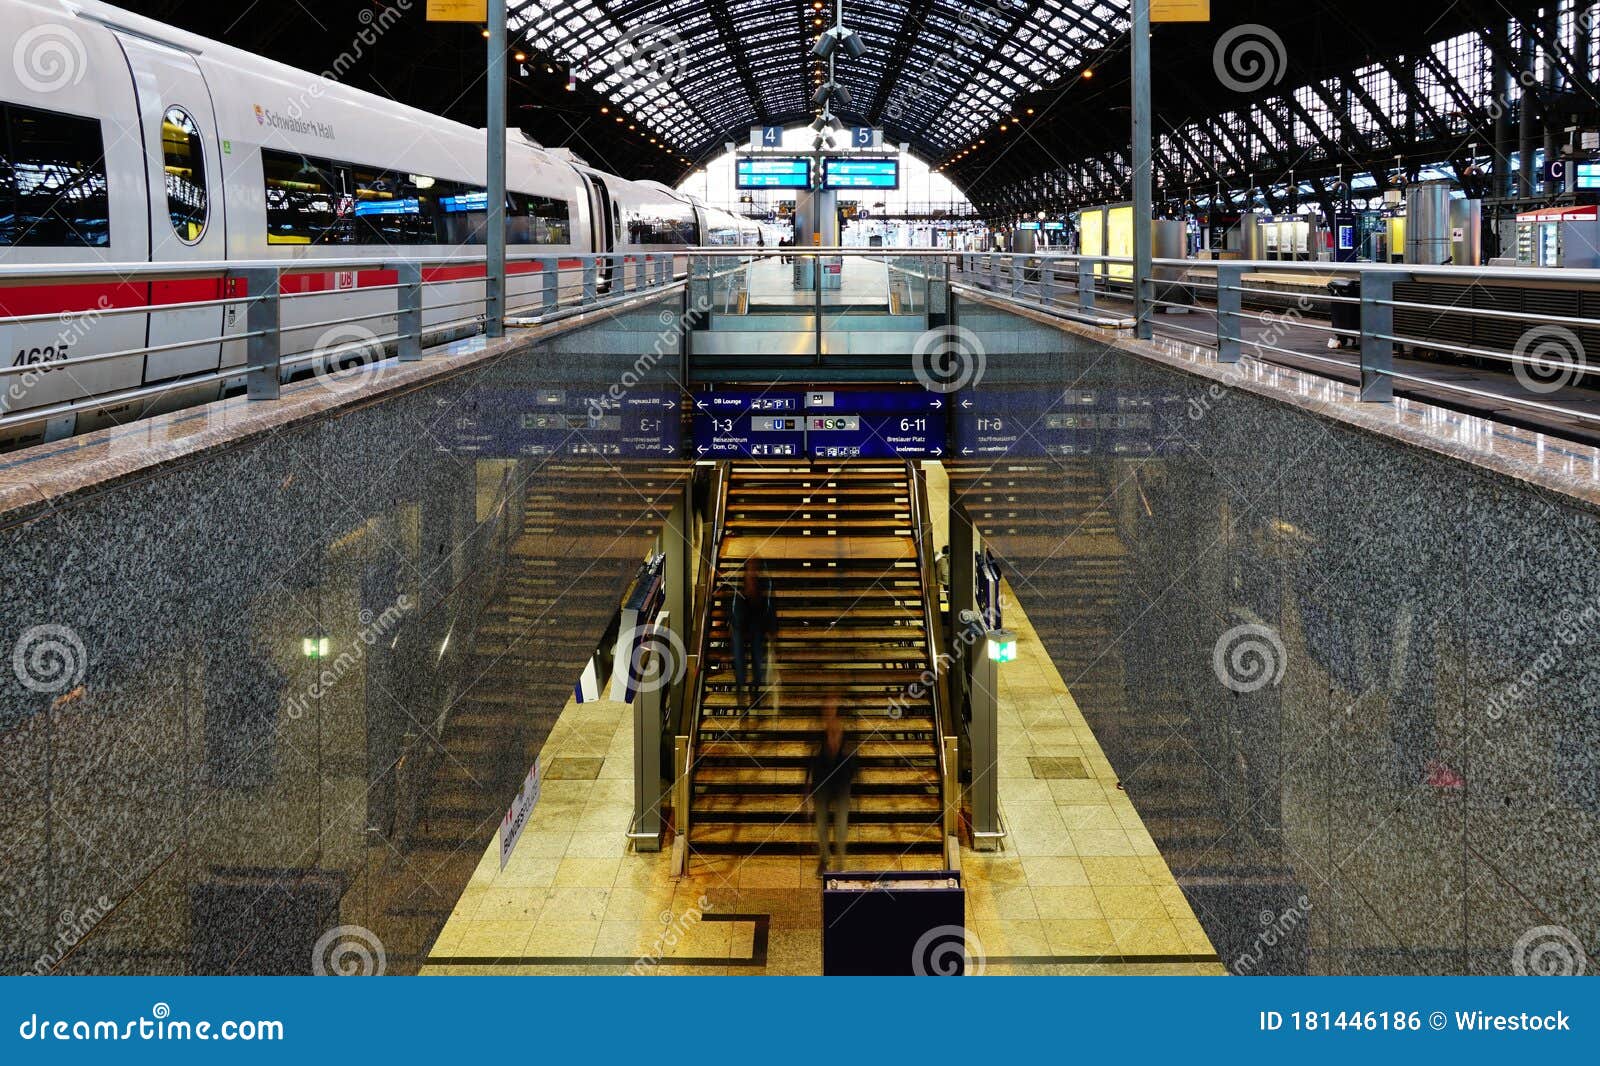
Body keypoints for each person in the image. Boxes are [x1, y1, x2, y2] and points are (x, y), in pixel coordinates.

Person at [808, 696, 857, 875]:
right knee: (821, 823)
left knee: (841, 825)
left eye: (831, 708)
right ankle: (825, 859)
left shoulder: (846, 731)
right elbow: (811, 760)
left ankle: (840, 863)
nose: (829, 712)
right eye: (826, 709)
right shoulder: (818, 732)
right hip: (822, 785)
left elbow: (854, 758)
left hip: (841, 784)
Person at [729, 556, 778, 711]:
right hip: (742, 625)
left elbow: (769, 607)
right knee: (742, 654)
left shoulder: (763, 583)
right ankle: (742, 686)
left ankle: (754, 687)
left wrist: (771, 627)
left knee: (757, 655)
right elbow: (734, 609)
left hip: (755, 624)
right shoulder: (741, 583)